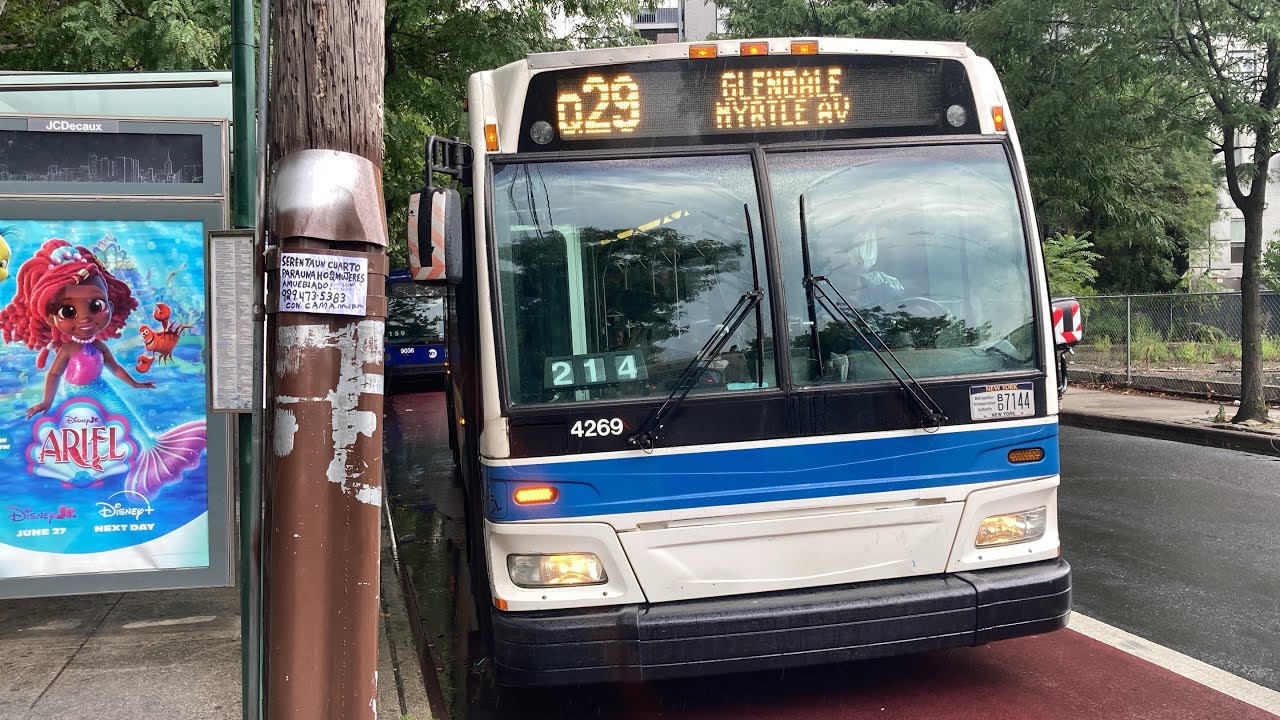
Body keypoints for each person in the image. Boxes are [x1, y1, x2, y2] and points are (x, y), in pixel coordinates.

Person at [0, 239, 205, 497]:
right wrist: (46, 402)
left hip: (100, 387)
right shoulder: (69, 349)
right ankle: (93, 472)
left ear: (109, 303)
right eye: (68, 311)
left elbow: (114, 367)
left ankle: (153, 450)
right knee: (88, 433)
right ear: (51, 317)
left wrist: (135, 383)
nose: (85, 318)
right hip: (74, 393)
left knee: (128, 418)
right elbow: (54, 374)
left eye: (96, 306)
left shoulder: (97, 345)